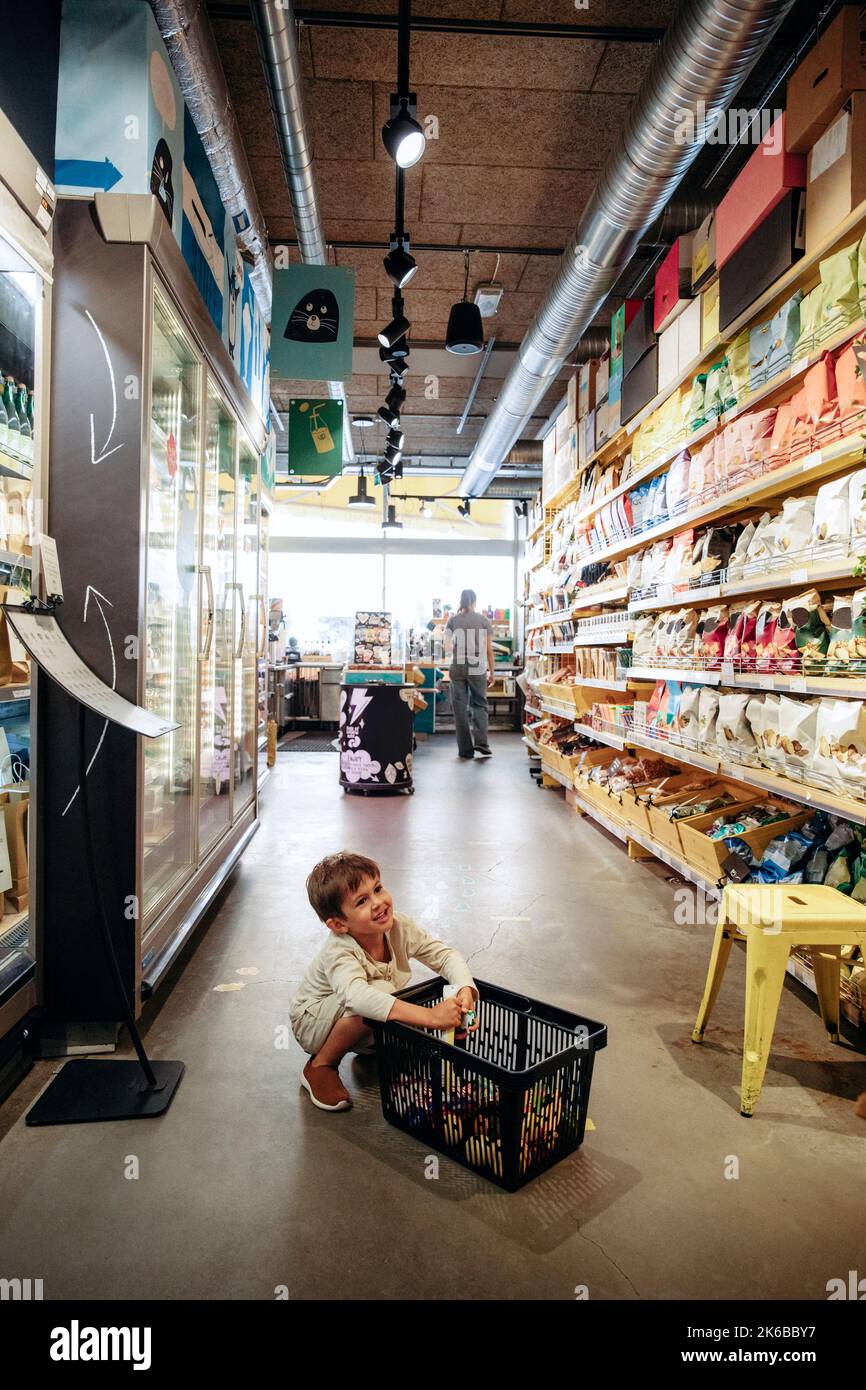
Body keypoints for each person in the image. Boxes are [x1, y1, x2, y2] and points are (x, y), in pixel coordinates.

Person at [291, 852, 479, 1112]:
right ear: (338, 924)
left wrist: (464, 990)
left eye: (378, 888)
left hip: (361, 1015)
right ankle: (321, 1065)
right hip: (312, 1021)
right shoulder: (339, 950)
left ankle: (373, 1045)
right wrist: (431, 1017)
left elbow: (444, 955)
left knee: (390, 996)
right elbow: (356, 997)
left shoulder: (397, 926)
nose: (378, 902)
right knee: (378, 992)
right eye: (362, 901)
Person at [445, 588, 495, 759]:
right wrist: (492, 672)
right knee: (480, 704)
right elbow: (489, 650)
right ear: (474, 602)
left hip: (457, 665)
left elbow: (446, 647)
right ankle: (481, 743)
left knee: (460, 708)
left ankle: (465, 750)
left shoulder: (452, 620)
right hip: (477, 666)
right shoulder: (483, 620)